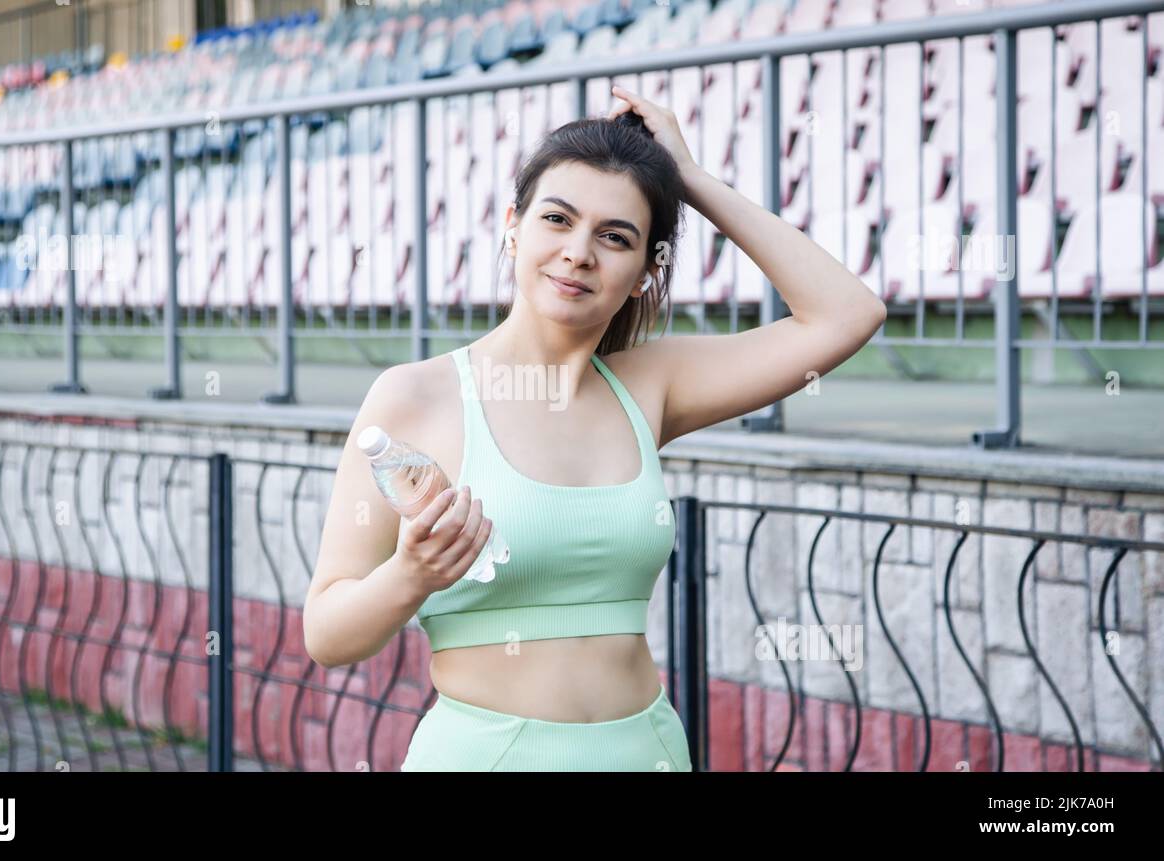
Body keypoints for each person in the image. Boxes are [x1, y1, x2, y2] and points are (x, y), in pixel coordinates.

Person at [303, 85, 888, 771]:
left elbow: (848, 314)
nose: (580, 252)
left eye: (616, 237)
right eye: (558, 219)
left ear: (646, 272)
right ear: (513, 226)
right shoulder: (413, 397)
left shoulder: (651, 385)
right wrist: (410, 574)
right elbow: (327, 633)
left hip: (650, 752)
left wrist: (690, 179)